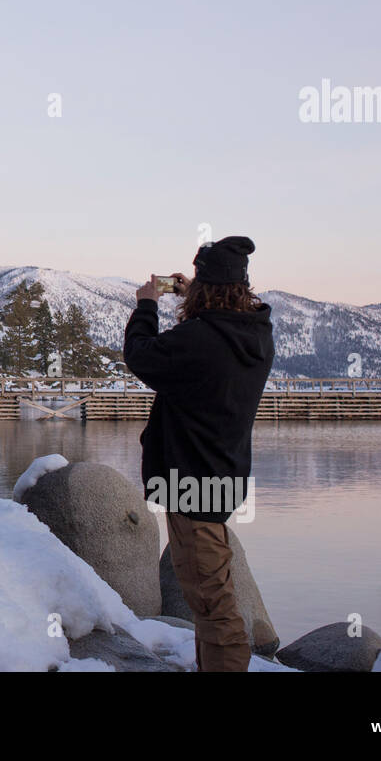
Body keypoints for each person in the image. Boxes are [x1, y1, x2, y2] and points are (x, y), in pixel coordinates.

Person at [122, 236, 274, 672]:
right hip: (222, 476)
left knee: (212, 603)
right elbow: (223, 325)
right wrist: (200, 293)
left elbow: (141, 354)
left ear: (208, 290)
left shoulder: (200, 339)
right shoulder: (255, 333)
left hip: (192, 483)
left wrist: (147, 305)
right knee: (212, 592)